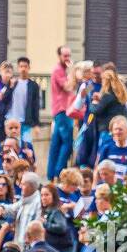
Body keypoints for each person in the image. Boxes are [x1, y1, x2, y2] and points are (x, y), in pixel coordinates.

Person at [47, 45, 77, 179]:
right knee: (67, 142)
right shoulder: (59, 70)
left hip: (62, 111)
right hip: (63, 110)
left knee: (56, 143)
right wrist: (72, 72)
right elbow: (68, 86)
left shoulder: (62, 70)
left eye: (69, 55)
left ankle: (51, 173)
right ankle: (59, 172)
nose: (68, 58)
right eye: (65, 56)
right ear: (59, 56)